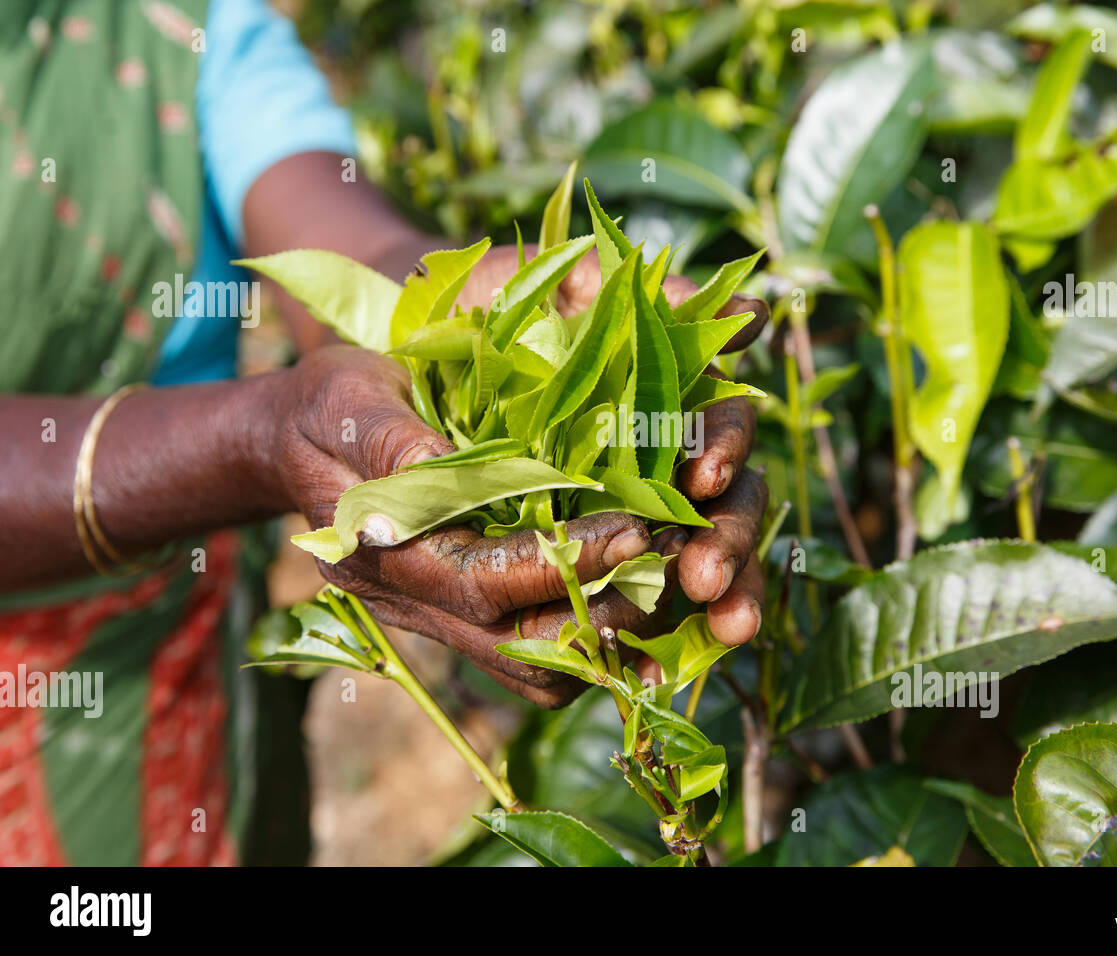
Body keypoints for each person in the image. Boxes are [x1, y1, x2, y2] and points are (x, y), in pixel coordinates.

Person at [0, 0, 768, 865]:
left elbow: (360, 255)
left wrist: (509, 306)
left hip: (183, 666)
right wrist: (256, 437)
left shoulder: (182, 26)